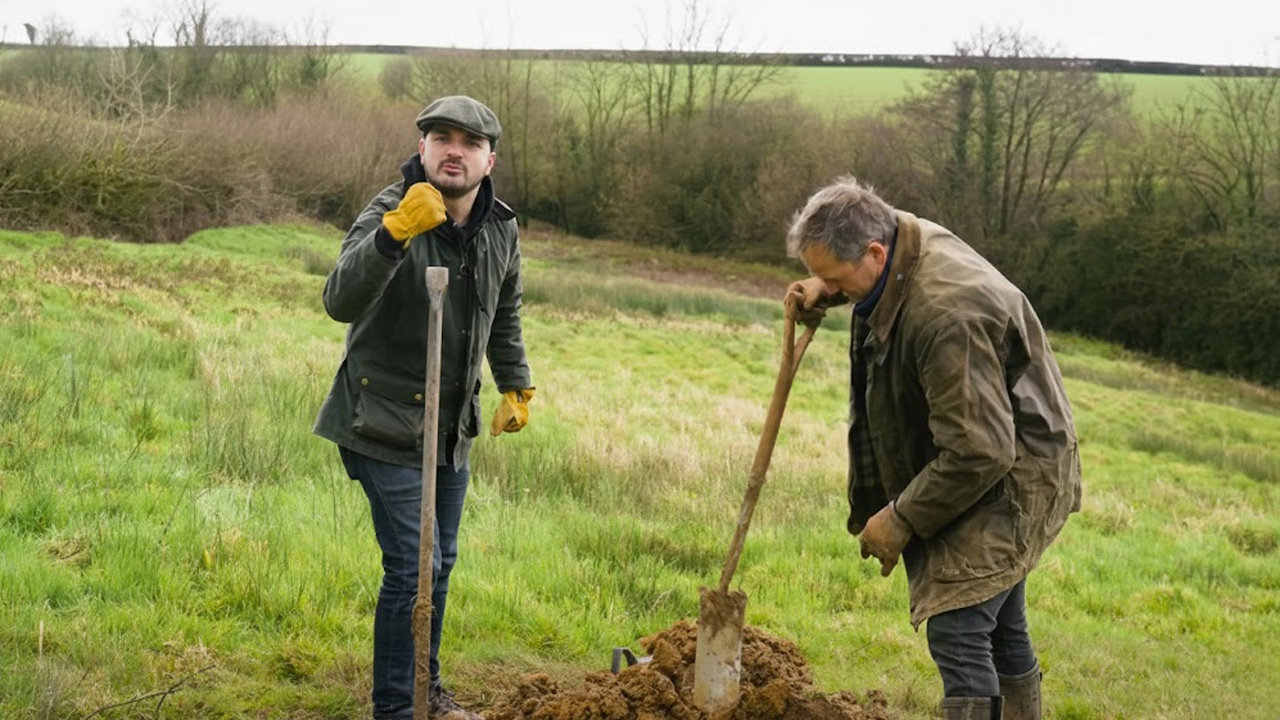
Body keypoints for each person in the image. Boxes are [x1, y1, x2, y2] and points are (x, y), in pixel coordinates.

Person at [782, 176, 1081, 720]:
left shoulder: (948, 318)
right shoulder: (895, 239)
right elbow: (872, 244)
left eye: (837, 276)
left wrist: (900, 517)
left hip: (1010, 472)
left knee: (960, 626)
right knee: (1001, 617)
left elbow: (981, 453)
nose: (833, 288)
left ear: (874, 254)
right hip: (996, 444)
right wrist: (829, 285)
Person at [313, 95, 535, 720]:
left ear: (489, 159)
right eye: (441, 137)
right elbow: (339, 299)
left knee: (438, 569)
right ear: (423, 150)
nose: (453, 150)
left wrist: (516, 382)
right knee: (414, 567)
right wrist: (392, 237)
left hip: (450, 426)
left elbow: (505, 311)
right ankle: (396, 708)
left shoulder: (499, 228)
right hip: (379, 420)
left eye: (468, 142)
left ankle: (424, 689)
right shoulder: (391, 211)